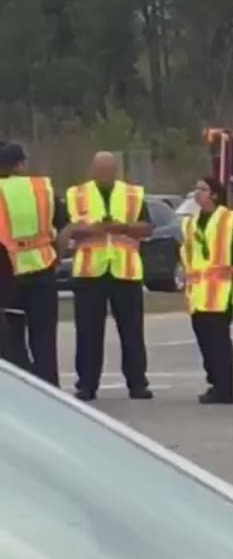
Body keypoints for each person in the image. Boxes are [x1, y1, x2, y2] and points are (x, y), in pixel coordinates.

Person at [64, 150, 150, 401]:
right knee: (88, 332)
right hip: (90, 272)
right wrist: (92, 229)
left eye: (109, 169)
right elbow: (67, 230)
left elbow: (147, 226)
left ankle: (137, 383)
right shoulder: (76, 194)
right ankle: (87, 384)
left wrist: (124, 227)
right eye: (100, 169)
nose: (105, 174)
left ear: (116, 171)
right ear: (92, 170)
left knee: (132, 332)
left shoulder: (133, 194)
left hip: (126, 271)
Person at [0, 140, 66, 385]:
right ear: (20, 165)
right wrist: (55, 254)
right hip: (42, 271)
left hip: (6, 276)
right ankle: (50, 388)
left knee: (11, 339)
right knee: (44, 337)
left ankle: (21, 389)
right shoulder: (42, 188)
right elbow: (64, 227)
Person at [181, 175, 233, 404]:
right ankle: (214, 383)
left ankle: (224, 389)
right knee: (205, 342)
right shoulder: (190, 222)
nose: (197, 193)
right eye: (196, 188)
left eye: (203, 189)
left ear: (215, 195)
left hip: (220, 291)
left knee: (219, 343)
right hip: (198, 293)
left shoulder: (228, 219)